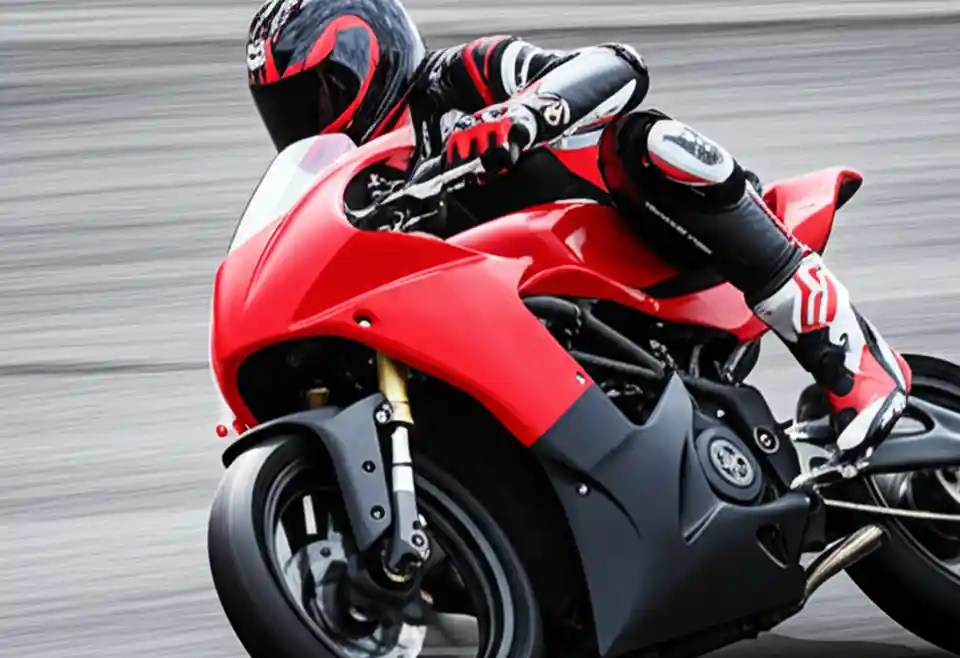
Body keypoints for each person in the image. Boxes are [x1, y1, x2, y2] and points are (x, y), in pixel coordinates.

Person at [245, 0, 910, 469]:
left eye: (317, 98)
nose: (309, 123)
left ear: (368, 57)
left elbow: (615, 64)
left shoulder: (453, 80)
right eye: (287, 112)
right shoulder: (354, 189)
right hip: (505, 318)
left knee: (646, 142)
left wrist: (524, 114)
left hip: (638, 248)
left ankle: (840, 343)